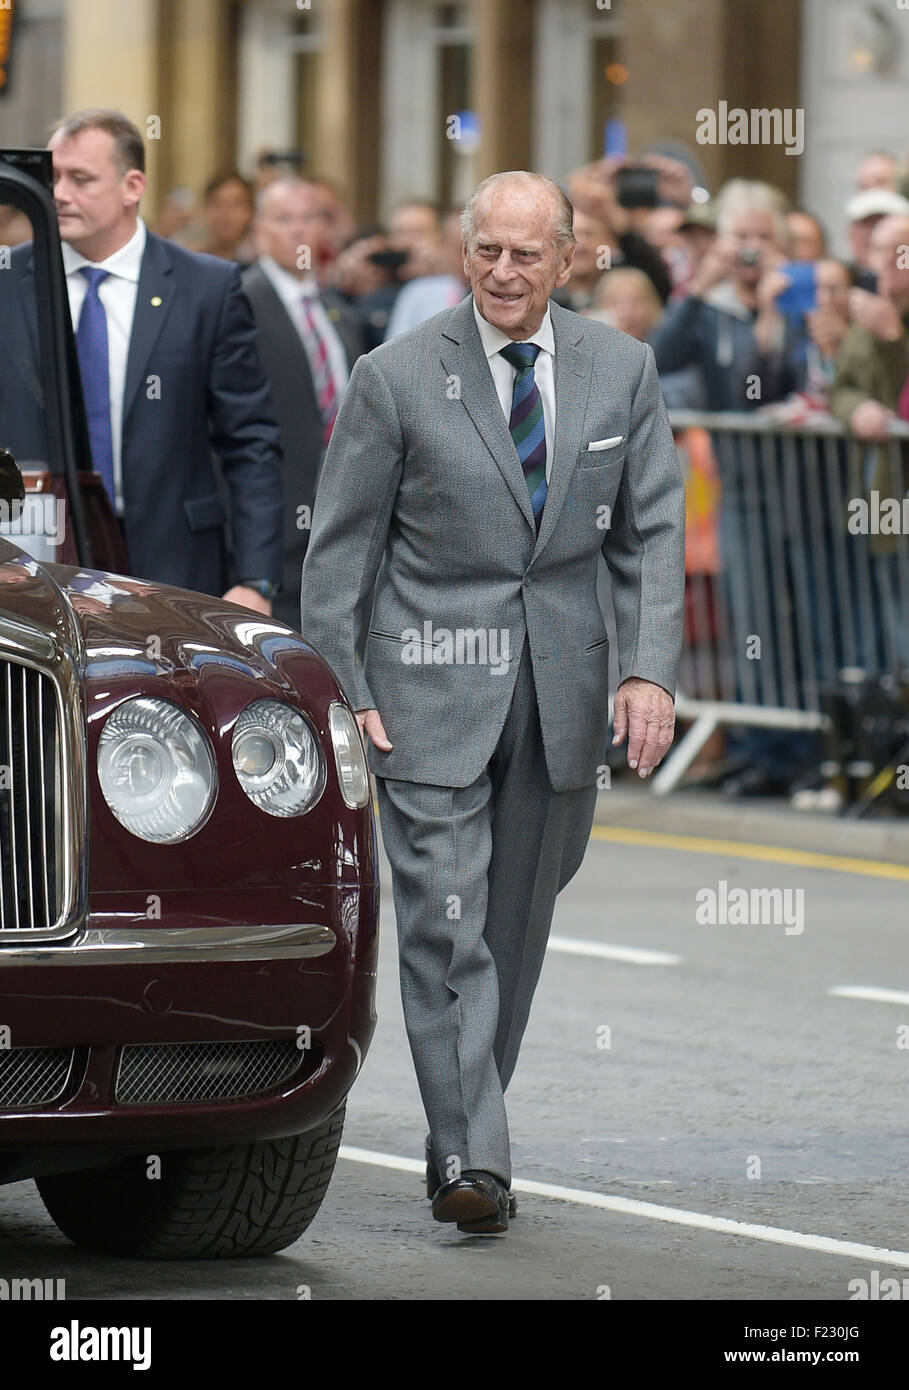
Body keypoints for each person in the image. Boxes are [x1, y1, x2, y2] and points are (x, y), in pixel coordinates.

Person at [300, 170, 685, 1234]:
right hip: (424, 689)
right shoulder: (395, 376)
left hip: (562, 695)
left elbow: (652, 530)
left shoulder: (622, 369)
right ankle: (475, 1152)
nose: (504, 272)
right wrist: (350, 683)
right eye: (487, 251)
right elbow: (340, 552)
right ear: (464, 252)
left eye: (527, 254)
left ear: (567, 260)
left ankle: (469, 1122)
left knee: (513, 927)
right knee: (445, 921)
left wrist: (648, 669)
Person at [47, 108, 282, 607]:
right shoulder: (13, 280)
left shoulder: (207, 287)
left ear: (132, 186)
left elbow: (250, 441)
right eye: (53, 178)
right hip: (44, 566)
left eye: (80, 179)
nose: (60, 194)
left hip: (177, 567)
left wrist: (256, 579)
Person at [242, 178, 363, 629]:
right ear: (259, 230)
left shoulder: (340, 312)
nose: (298, 230)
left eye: (309, 218)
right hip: (274, 530)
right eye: (284, 219)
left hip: (338, 525)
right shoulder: (239, 302)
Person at [200, 171, 256, 265]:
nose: (225, 214)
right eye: (217, 204)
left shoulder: (262, 265)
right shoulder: (192, 262)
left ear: (250, 211)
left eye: (235, 204)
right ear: (205, 209)